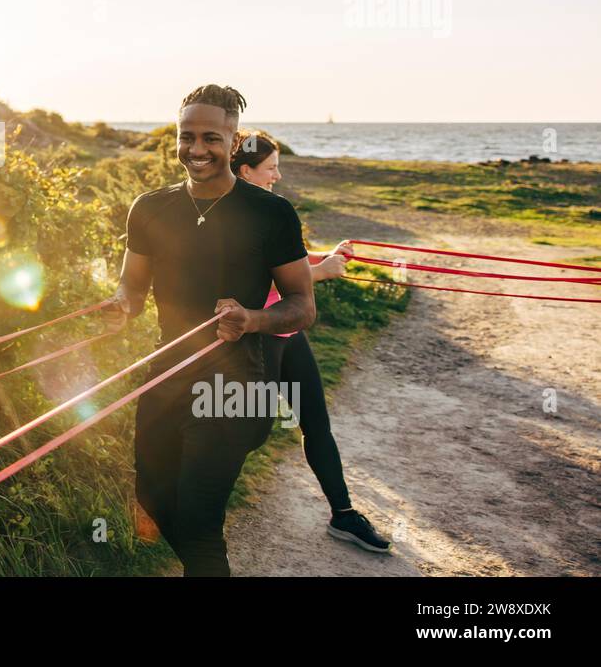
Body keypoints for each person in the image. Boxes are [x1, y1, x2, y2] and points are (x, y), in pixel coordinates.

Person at [105, 85, 315, 576]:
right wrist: (118, 309)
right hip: (165, 374)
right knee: (152, 500)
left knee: (199, 523)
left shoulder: (271, 213)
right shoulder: (150, 208)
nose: (196, 150)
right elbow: (131, 291)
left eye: (211, 138)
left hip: (236, 384)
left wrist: (255, 319)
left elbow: (303, 306)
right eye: (186, 137)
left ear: (234, 140)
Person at [231, 129, 391, 553]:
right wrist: (323, 271)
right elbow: (270, 280)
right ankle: (185, 498)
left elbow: (292, 265)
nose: (278, 176)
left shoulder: (273, 212)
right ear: (246, 172)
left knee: (316, 424)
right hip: (260, 339)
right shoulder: (237, 217)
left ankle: (344, 514)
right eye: (271, 168)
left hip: (289, 336)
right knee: (252, 433)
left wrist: (324, 259)